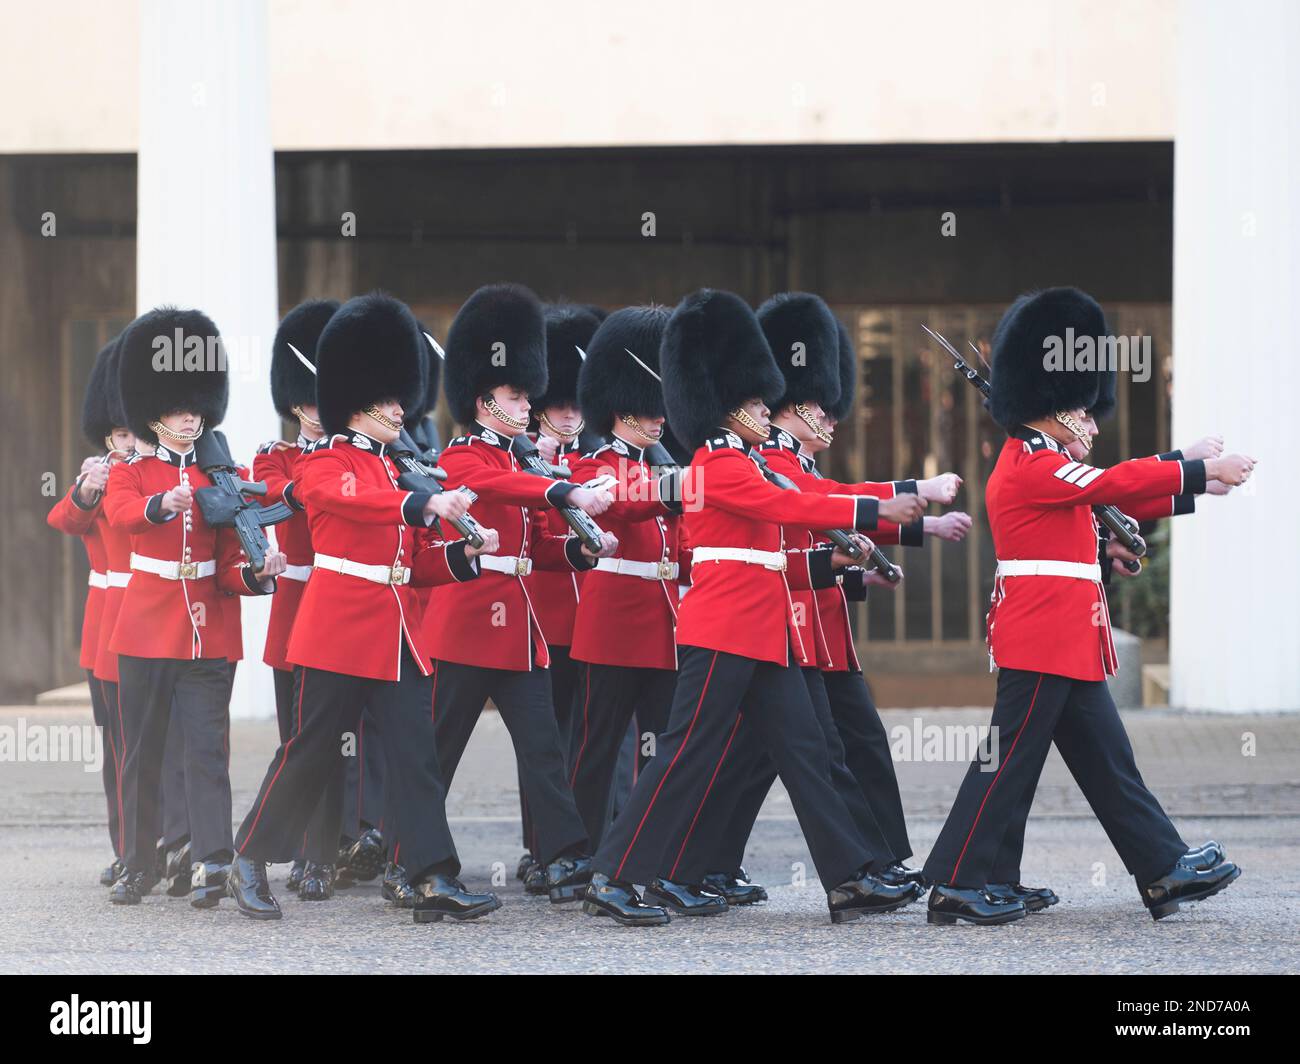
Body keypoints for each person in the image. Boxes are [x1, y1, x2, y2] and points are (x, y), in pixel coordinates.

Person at [581, 288, 923, 927]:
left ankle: (848, 878)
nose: (768, 413)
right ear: (729, 406)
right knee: (686, 753)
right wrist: (876, 511)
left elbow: (805, 503)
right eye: (758, 404)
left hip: (764, 633)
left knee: (810, 755)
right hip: (724, 630)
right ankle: (614, 874)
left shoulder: (743, 459)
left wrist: (891, 509)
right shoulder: (717, 464)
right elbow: (794, 508)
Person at [922, 286, 1252, 925]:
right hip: (1044, 636)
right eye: (1087, 414)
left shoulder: (1045, 462)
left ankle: (1159, 872)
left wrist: (1197, 489)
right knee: (1008, 763)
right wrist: (1186, 464)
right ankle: (958, 884)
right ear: (1056, 412)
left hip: (1065, 637)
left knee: (1105, 763)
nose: (1094, 425)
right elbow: (1109, 483)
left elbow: (1102, 512)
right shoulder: (1028, 464)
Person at [230, 292, 500, 924]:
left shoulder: (396, 467)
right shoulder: (326, 463)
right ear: (357, 403)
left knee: (415, 755)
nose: (399, 410)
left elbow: (410, 563)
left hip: (397, 633)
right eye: (387, 401)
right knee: (311, 750)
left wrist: (464, 553)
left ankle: (432, 877)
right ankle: (250, 854)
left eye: (400, 398)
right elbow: (355, 504)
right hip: (338, 630)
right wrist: (424, 505)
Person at [427, 283, 618, 905]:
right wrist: (563, 493)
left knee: (544, 749)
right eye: (516, 393)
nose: (527, 401)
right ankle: (415, 863)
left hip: (516, 631)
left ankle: (565, 855)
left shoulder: (518, 458)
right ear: (485, 399)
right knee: (436, 756)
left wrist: (576, 549)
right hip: (465, 626)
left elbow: (531, 545)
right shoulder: (461, 458)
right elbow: (501, 490)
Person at [105, 306, 286, 908]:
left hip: (209, 634)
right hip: (147, 628)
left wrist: (258, 570)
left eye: (197, 406)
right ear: (153, 414)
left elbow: (231, 561)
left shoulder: (224, 475)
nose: (192, 416)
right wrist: (164, 503)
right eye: (181, 407)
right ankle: (138, 862)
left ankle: (213, 860)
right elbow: (125, 517)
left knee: (208, 749)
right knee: (143, 752)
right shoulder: (131, 473)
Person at [565, 305, 685, 857]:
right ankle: (581, 851)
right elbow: (629, 502)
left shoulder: (662, 465)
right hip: (612, 623)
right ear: (622, 408)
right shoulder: (594, 466)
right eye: (648, 408)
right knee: (597, 746)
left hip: (663, 623)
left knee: (662, 748)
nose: (659, 419)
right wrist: (684, 487)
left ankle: (647, 852)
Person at [515, 302, 604, 893]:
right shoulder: (525, 458)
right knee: (543, 740)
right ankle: (540, 846)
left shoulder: (597, 460)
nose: (570, 414)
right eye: (561, 404)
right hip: (542, 616)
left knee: (589, 737)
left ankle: (585, 841)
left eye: (577, 404)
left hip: (594, 617)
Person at [47, 333, 134, 886]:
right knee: (116, 745)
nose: (129, 441)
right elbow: (65, 521)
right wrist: (85, 489)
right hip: (107, 622)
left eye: (135, 431)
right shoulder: (99, 473)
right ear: (108, 434)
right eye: (122, 432)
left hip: (159, 617)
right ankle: (127, 847)